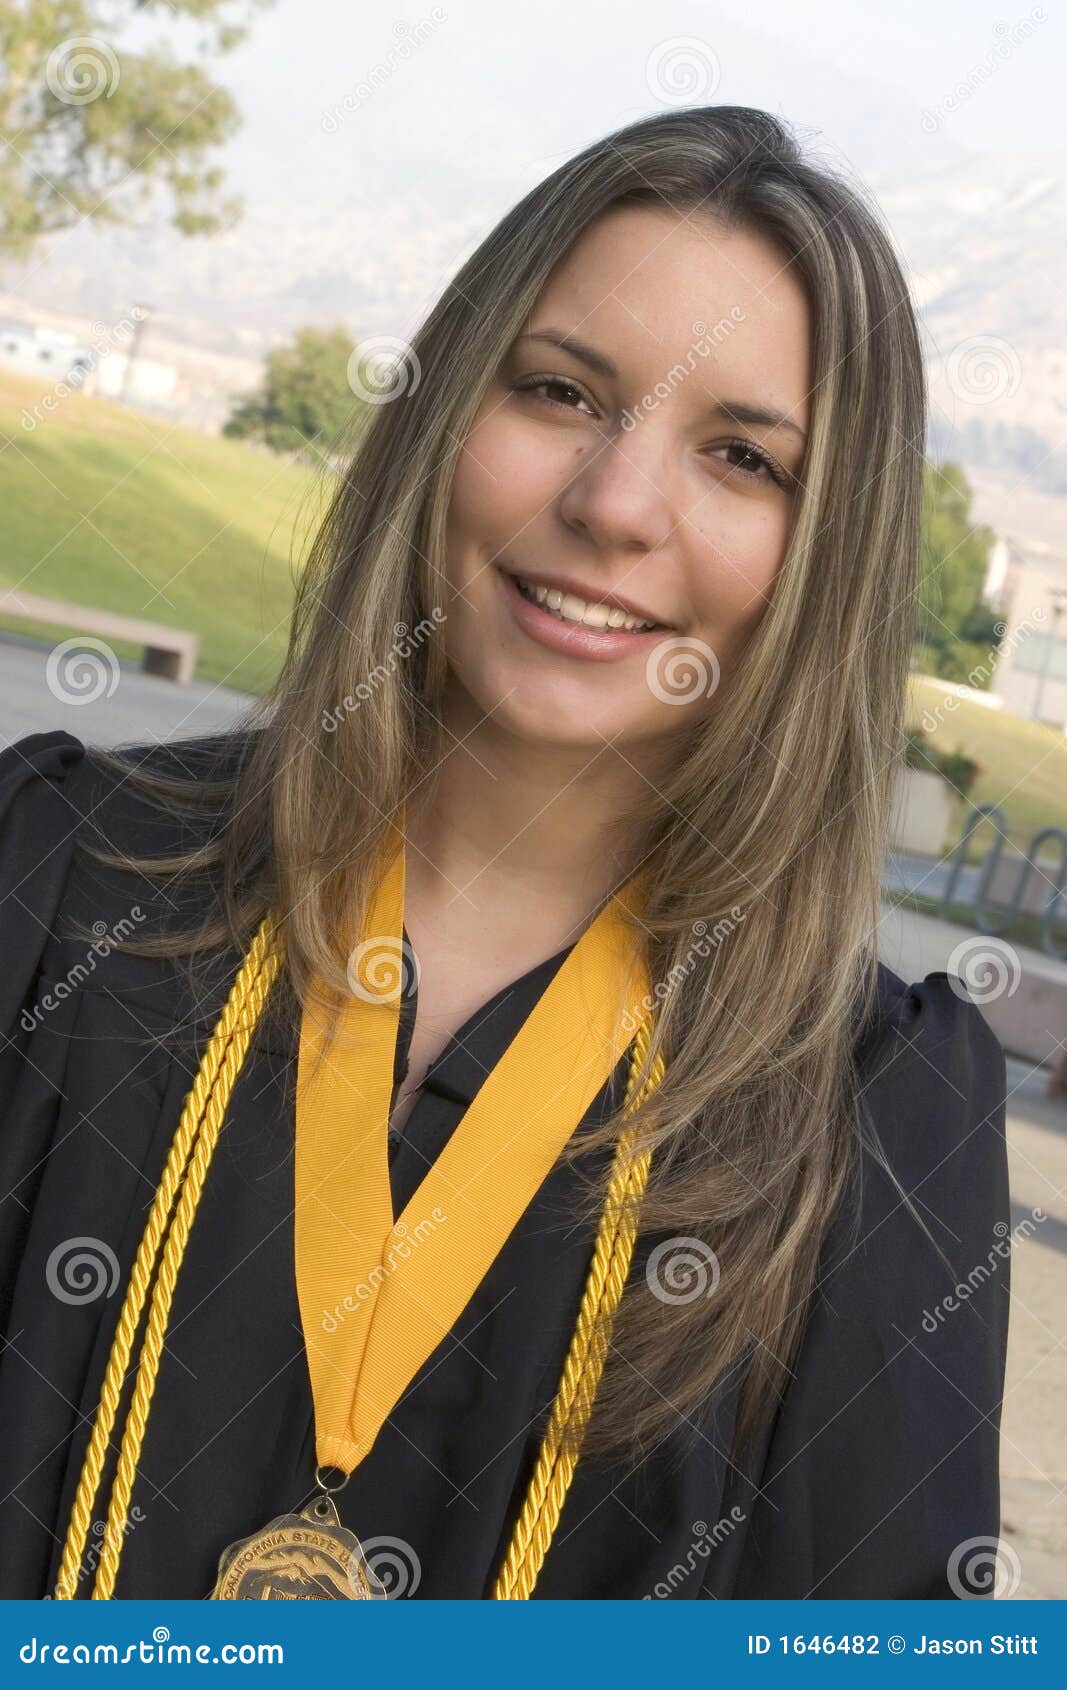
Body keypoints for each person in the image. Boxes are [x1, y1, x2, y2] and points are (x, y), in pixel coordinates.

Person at [0, 105, 1009, 1602]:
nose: (613, 504)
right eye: (558, 390)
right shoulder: (63, 879)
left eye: (742, 456)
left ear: (832, 554)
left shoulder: (869, 1119)